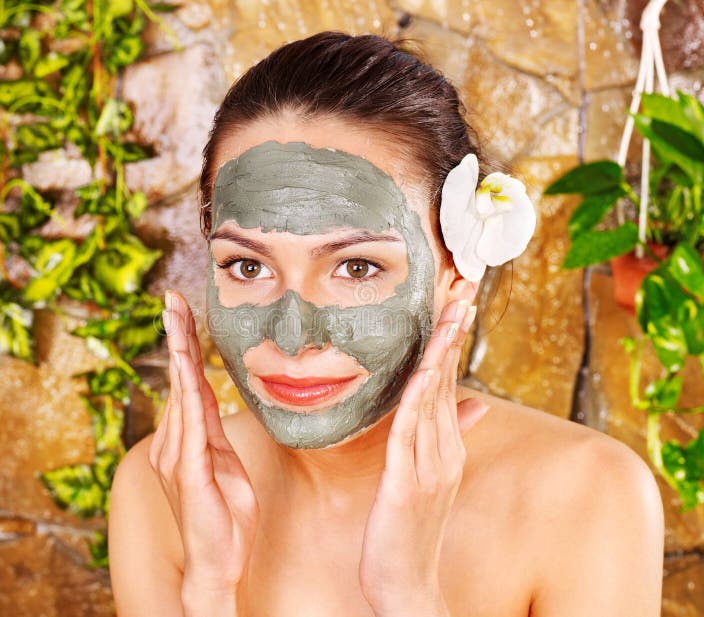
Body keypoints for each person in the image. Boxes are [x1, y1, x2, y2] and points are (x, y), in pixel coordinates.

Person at [108, 31, 665, 617]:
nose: (292, 337)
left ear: (457, 271)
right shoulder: (158, 494)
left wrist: (407, 595)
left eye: (356, 267)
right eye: (247, 266)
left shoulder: (590, 499)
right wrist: (210, 591)